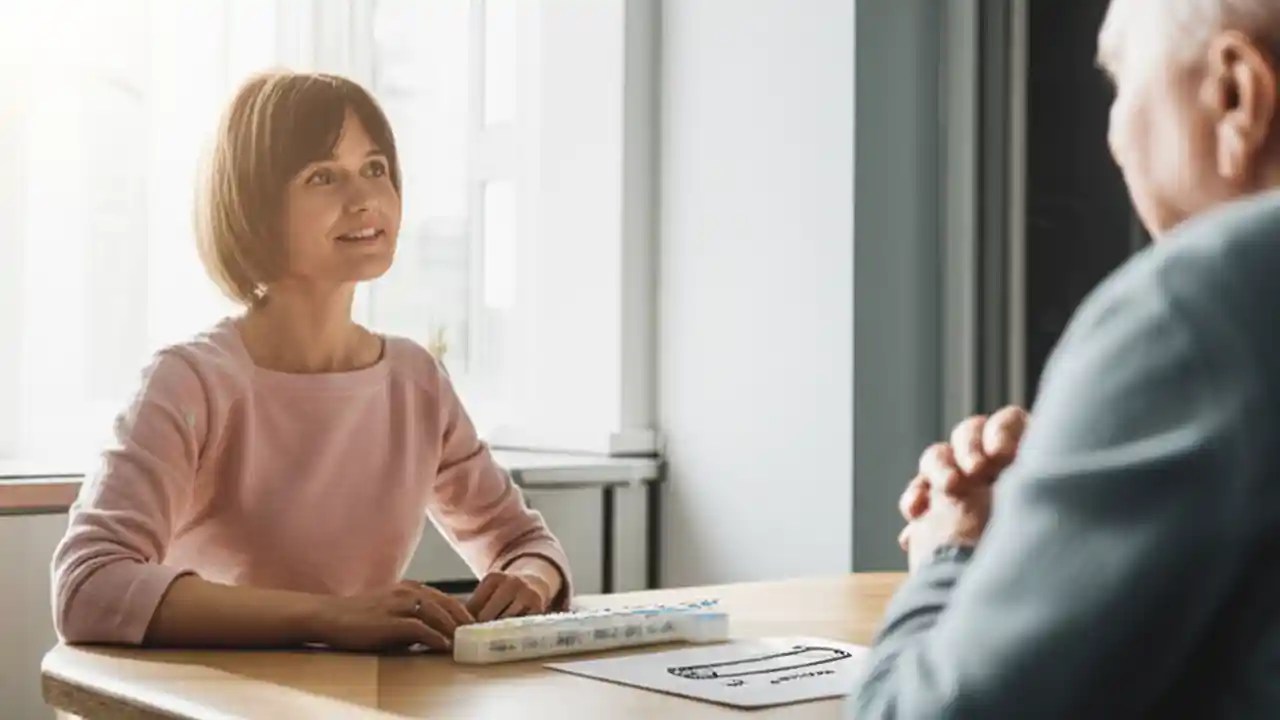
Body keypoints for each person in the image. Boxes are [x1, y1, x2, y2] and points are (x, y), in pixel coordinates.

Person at [855, 0, 1280, 716]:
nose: (1116, 138)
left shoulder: (1203, 302)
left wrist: (955, 553)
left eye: (1122, 89)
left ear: (1235, 92)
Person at [51, 71, 572, 653]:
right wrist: (330, 619)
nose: (365, 198)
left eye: (375, 168)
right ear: (252, 204)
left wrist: (527, 581)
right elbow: (88, 587)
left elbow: (526, 543)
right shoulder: (191, 382)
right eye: (323, 177)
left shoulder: (415, 381)